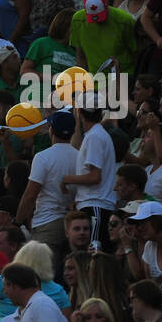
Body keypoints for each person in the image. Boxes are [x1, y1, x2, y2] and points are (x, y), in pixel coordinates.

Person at [16, 111, 79, 247]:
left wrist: (17, 222)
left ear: (52, 130)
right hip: (72, 223)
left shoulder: (43, 157)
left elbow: (30, 195)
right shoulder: (80, 156)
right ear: (73, 131)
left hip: (47, 223)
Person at [61, 101, 117, 251]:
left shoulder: (95, 137)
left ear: (79, 112)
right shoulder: (94, 135)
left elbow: (94, 177)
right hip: (93, 204)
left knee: (94, 256)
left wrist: (66, 179)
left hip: (96, 204)